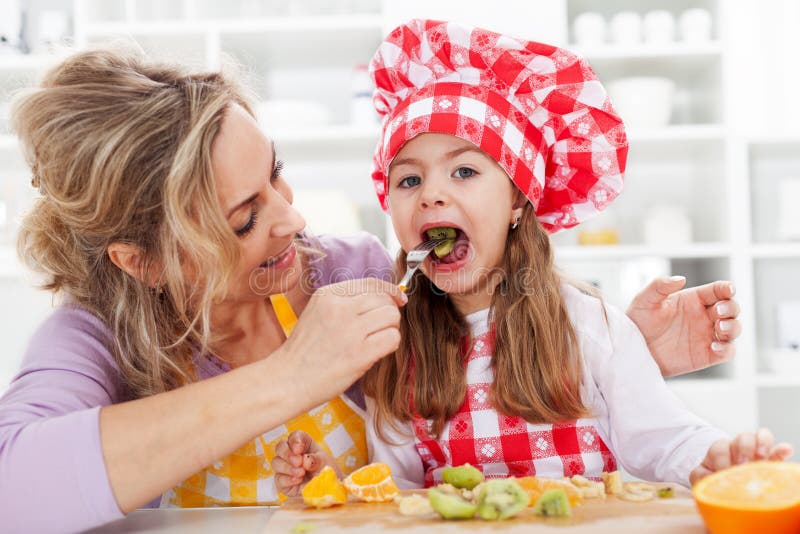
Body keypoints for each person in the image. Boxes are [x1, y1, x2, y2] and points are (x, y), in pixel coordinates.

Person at [0, 45, 738, 533]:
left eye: (277, 175)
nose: (293, 220)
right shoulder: (96, 338)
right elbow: (13, 487)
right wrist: (293, 374)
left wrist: (611, 355)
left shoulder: (351, 271)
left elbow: (475, 382)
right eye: (246, 216)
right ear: (144, 262)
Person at [275, 19, 790, 494]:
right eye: (409, 179)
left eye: (464, 172)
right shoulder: (395, 351)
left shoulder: (588, 325)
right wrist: (334, 483)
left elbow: (664, 437)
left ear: (518, 202)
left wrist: (714, 458)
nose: (430, 194)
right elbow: (398, 486)